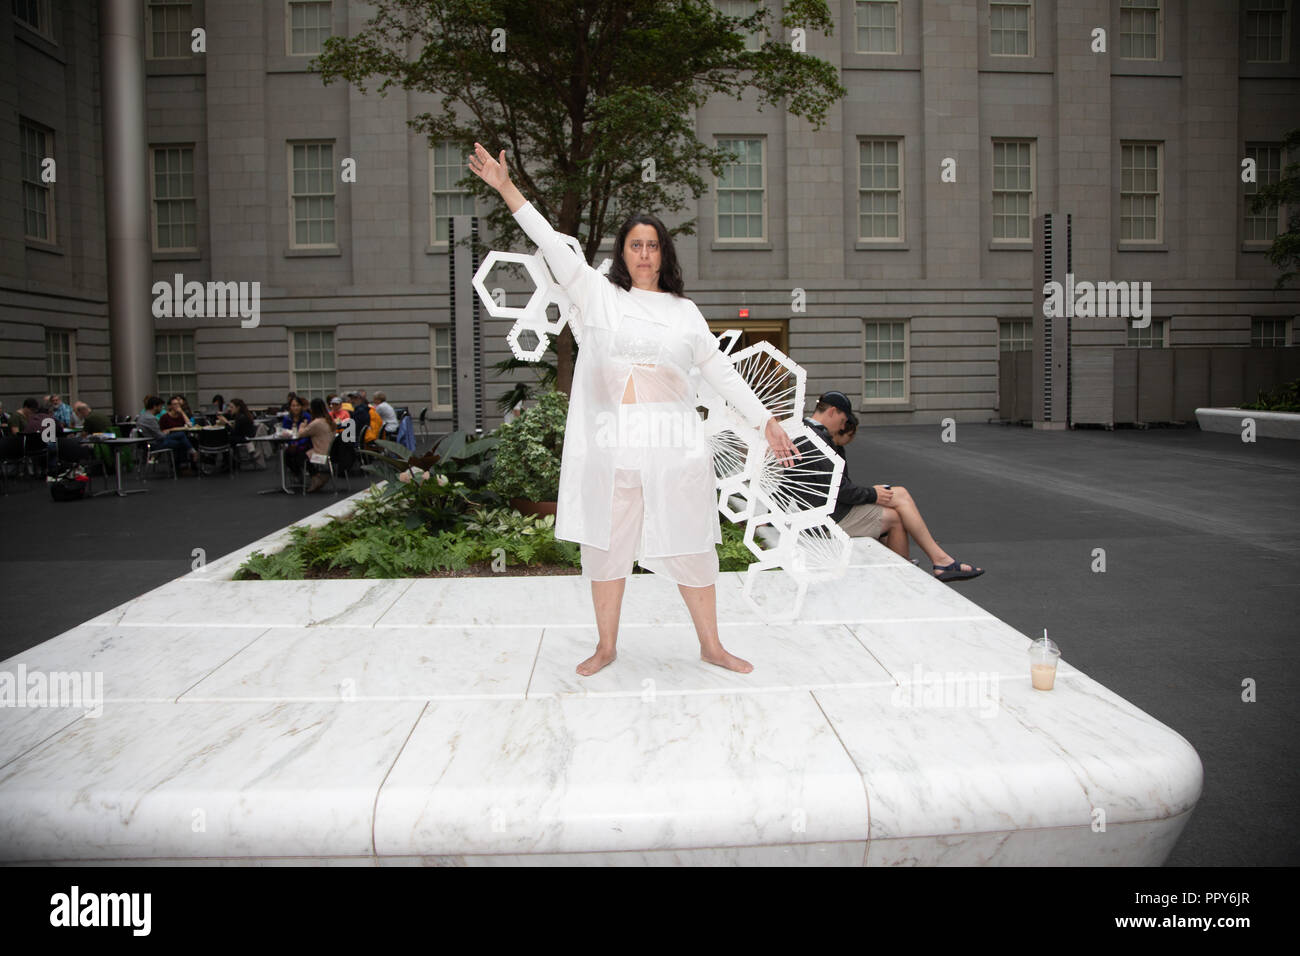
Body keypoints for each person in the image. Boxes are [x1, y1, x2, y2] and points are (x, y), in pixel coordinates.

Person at [470, 141, 798, 677]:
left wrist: (765, 419)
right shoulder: (598, 295)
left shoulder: (685, 313)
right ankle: (606, 647)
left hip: (673, 448)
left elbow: (719, 373)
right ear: (622, 253)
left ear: (664, 254)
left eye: (652, 246)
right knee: (607, 545)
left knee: (691, 542)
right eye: (634, 245)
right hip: (612, 443)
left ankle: (711, 645)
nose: (644, 253)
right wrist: (507, 187)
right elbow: (551, 244)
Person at [810, 396, 983, 582]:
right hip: (824, 519)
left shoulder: (810, 433)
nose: (842, 427)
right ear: (832, 411)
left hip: (821, 512)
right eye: (843, 421)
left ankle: (929, 562)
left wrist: (872, 493)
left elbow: (833, 486)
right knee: (896, 516)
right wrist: (873, 494)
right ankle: (910, 574)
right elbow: (839, 489)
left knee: (898, 496)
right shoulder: (817, 438)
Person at [136, 395, 199, 472]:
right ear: (155, 406)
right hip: (155, 443)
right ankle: (191, 456)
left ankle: (184, 462)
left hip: (149, 442)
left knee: (182, 438)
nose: (161, 409)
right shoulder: (151, 419)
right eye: (160, 406)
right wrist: (166, 433)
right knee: (182, 439)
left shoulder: (143, 416)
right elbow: (160, 436)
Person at [285, 397, 334, 493]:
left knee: (299, 455)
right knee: (296, 453)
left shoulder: (316, 423)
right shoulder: (329, 420)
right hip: (330, 451)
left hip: (321, 454)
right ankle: (314, 476)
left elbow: (300, 434)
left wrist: (302, 426)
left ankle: (315, 477)